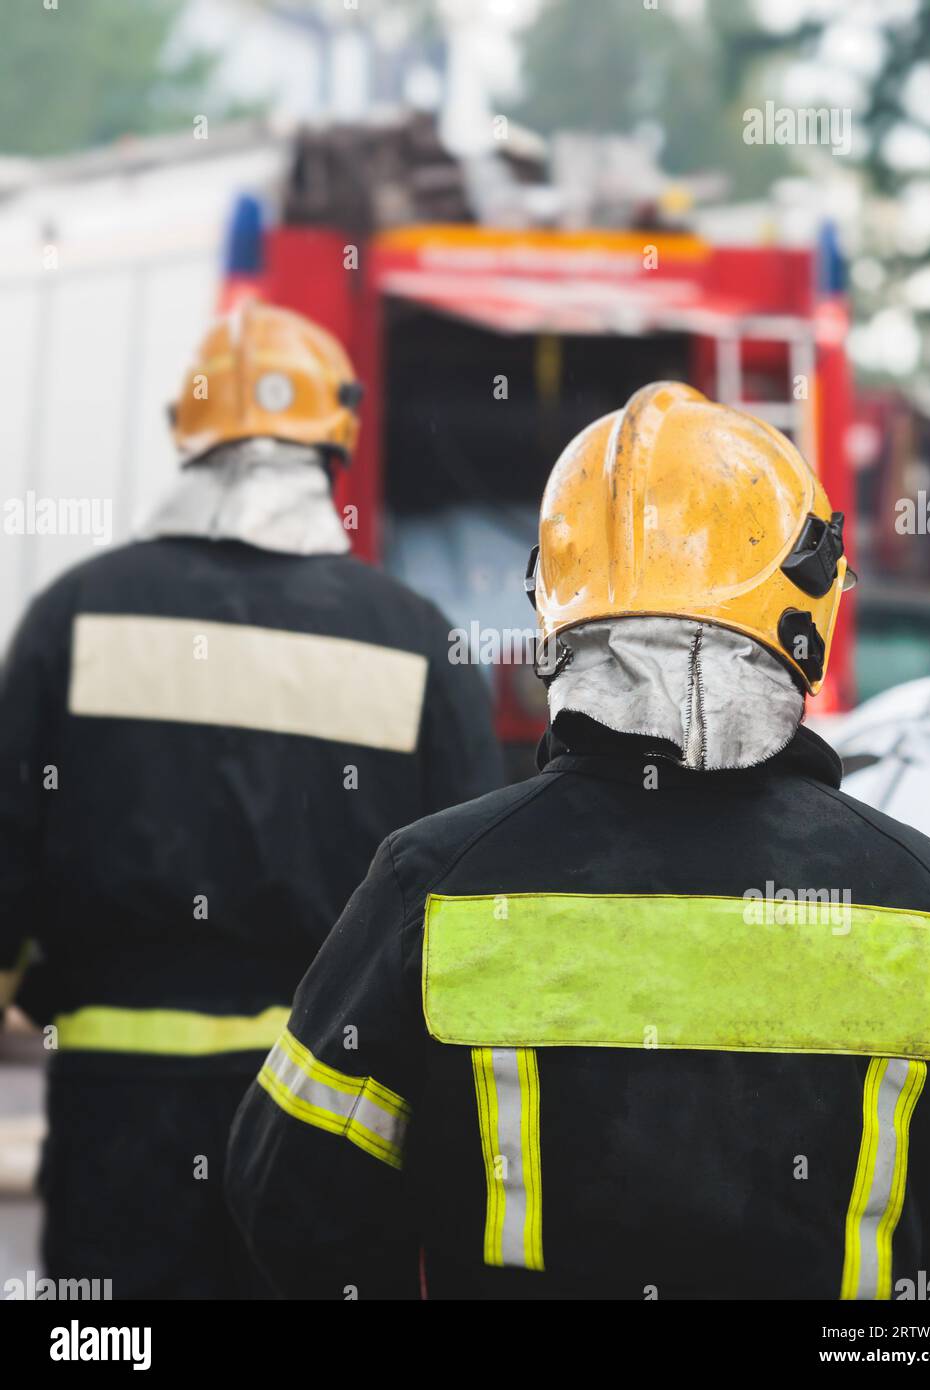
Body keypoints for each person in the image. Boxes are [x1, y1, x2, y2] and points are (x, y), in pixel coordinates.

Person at [226, 381, 930, 1300]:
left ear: (556, 608)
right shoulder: (924, 899)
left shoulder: (433, 883)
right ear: (808, 609)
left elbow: (286, 1194)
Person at [0, 301, 501, 1299]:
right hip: (336, 1118)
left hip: (121, 1114)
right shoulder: (414, 636)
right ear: (336, 448)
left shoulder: (76, 612)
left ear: (189, 437)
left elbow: (8, 850)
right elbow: (471, 905)